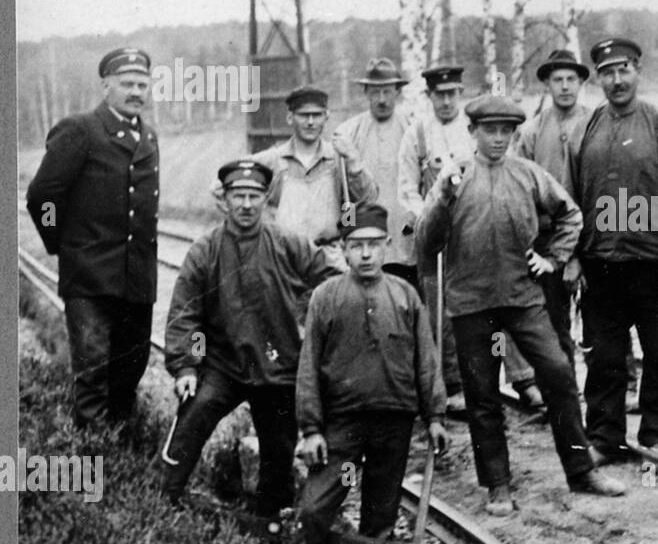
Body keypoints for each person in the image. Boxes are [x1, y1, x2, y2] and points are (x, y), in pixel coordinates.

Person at [419, 94, 625, 515]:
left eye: (505, 132)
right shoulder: (455, 178)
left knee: (558, 371)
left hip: (522, 298)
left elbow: (571, 215)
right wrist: (441, 197)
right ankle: (497, 484)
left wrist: (553, 258)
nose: (497, 139)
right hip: (471, 304)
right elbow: (427, 242)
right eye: (489, 130)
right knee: (482, 394)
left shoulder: (529, 174)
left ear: (514, 135)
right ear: (473, 132)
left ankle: (581, 470)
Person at [294, 203, 449, 544]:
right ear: (342, 250)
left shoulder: (405, 296)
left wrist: (434, 416)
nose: (365, 254)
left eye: (372, 245)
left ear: (385, 246)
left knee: (378, 521)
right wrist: (311, 429)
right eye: (355, 246)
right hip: (342, 428)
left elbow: (426, 362)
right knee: (313, 509)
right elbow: (308, 368)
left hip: (392, 426)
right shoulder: (326, 298)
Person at [162, 160, 335, 518]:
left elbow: (331, 281)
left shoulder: (289, 243)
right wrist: (187, 367)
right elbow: (186, 313)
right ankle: (165, 500)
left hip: (279, 367)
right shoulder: (205, 251)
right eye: (237, 195)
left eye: (254, 196)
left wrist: (308, 320)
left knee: (279, 449)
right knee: (193, 416)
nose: (245, 204)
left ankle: (269, 521)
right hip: (223, 366)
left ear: (265, 199)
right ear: (224, 200)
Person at [568, 37, 658, 463]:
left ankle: (657, 434)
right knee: (603, 358)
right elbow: (570, 198)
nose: (616, 80)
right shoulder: (586, 128)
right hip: (600, 263)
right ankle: (606, 439)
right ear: (599, 78)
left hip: (653, 263)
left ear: (638, 71)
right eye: (607, 72)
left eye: (623, 70)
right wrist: (570, 255)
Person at [26, 47, 160, 435]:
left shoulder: (148, 136)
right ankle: (94, 455)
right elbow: (43, 197)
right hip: (89, 276)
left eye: (142, 84)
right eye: (126, 84)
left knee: (131, 366)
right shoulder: (81, 129)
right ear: (107, 86)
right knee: (93, 369)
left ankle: (121, 449)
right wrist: (61, 245)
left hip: (137, 278)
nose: (135, 91)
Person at [399, 66, 540, 407]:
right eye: (439, 95)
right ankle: (454, 385)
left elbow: (504, 173)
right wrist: (431, 219)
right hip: (439, 244)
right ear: (429, 96)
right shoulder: (417, 133)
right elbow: (406, 190)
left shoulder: (475, 129)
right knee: (444, 312)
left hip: (481, 236)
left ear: (460, 94)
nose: (446, 101)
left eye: (452, 94)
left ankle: (522, 379)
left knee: (499, 304)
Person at [226, 85, 377, 273]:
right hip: (282, 261)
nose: (311, 122)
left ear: (326, 117)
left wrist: (354, 160)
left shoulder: (339, 158)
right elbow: (220, 188)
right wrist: (256, 224)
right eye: (304, 115)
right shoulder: (273, 160)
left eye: (317, 115)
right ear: (290, 118)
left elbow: (366, 199)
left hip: (329, 260)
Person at [511, 48, 593, 362]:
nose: (565, 86)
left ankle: (618, 385)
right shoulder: (531, 131)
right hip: (549, 239)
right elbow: (521, 189)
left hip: (591, 235)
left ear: (580, 83)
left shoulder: (595, 124)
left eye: (571, 79)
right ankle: (564, 391)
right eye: (557, 79)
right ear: (547, 84)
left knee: (599, 317)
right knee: (555, 319)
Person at [333, 57, 416, 284]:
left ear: (397, 92)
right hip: (365, 243)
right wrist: (347, 230)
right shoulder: (348, 133)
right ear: (366, 92)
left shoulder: (413, 129)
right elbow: (345, 196)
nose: (382, 100)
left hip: (405, 241)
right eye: (375, 92)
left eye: (387, 92)